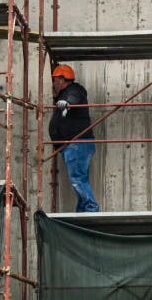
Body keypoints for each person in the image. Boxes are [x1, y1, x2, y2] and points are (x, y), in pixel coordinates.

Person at [49, 64, 99, 212]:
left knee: (78, 179)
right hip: (73, 145)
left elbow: (74, 98)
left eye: (55, 80)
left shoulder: (74, 90)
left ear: (62, 79)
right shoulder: (63, 94)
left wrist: (68, 103)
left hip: (77, 143)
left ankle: (90, 208)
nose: (53, 83)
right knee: (80, 178)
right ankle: (83, 209)